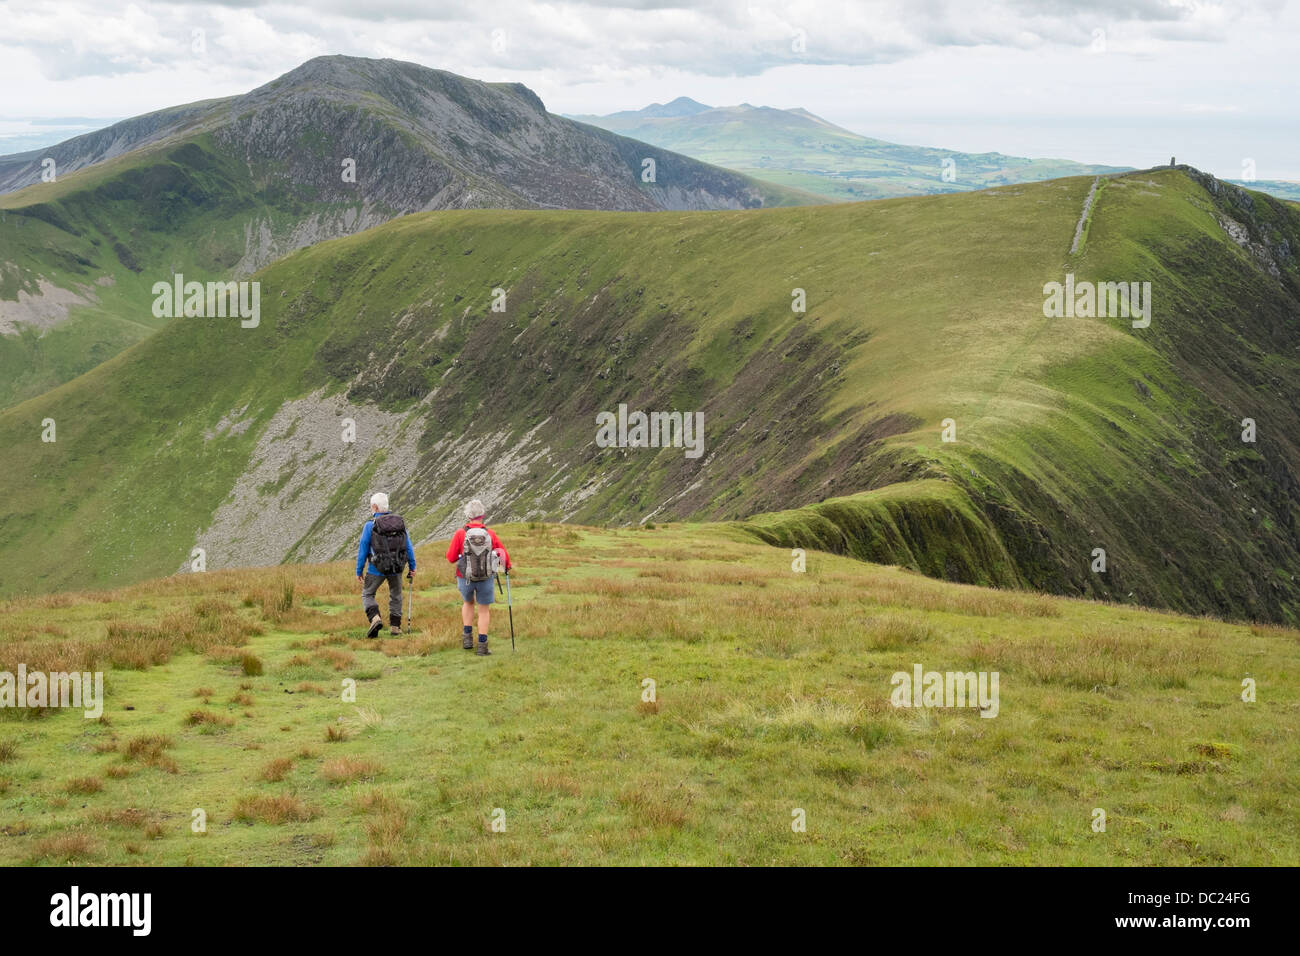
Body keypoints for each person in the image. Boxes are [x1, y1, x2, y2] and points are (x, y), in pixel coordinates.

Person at [446, 498, 512, 656]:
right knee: (483, 610)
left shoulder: (461, 533)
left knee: (468, 603)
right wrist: (507, 566)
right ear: (483, 515)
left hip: (465, 577)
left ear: (468, 516)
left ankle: (467, 639)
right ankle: (482, 646)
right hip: (486, 577)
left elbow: (450, 557)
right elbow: (502, 554)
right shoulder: (490, 534)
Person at [356, 492, 416, 638]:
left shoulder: (370, 525)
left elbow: (363, 548)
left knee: (368, 593)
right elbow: (408, 547)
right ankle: (395, 627)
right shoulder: (399, 523)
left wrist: (359, 570)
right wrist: (412, 567)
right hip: (397, 567)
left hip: (376, 568)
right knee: (396, 595)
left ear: (375, 507)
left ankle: (375, 618)